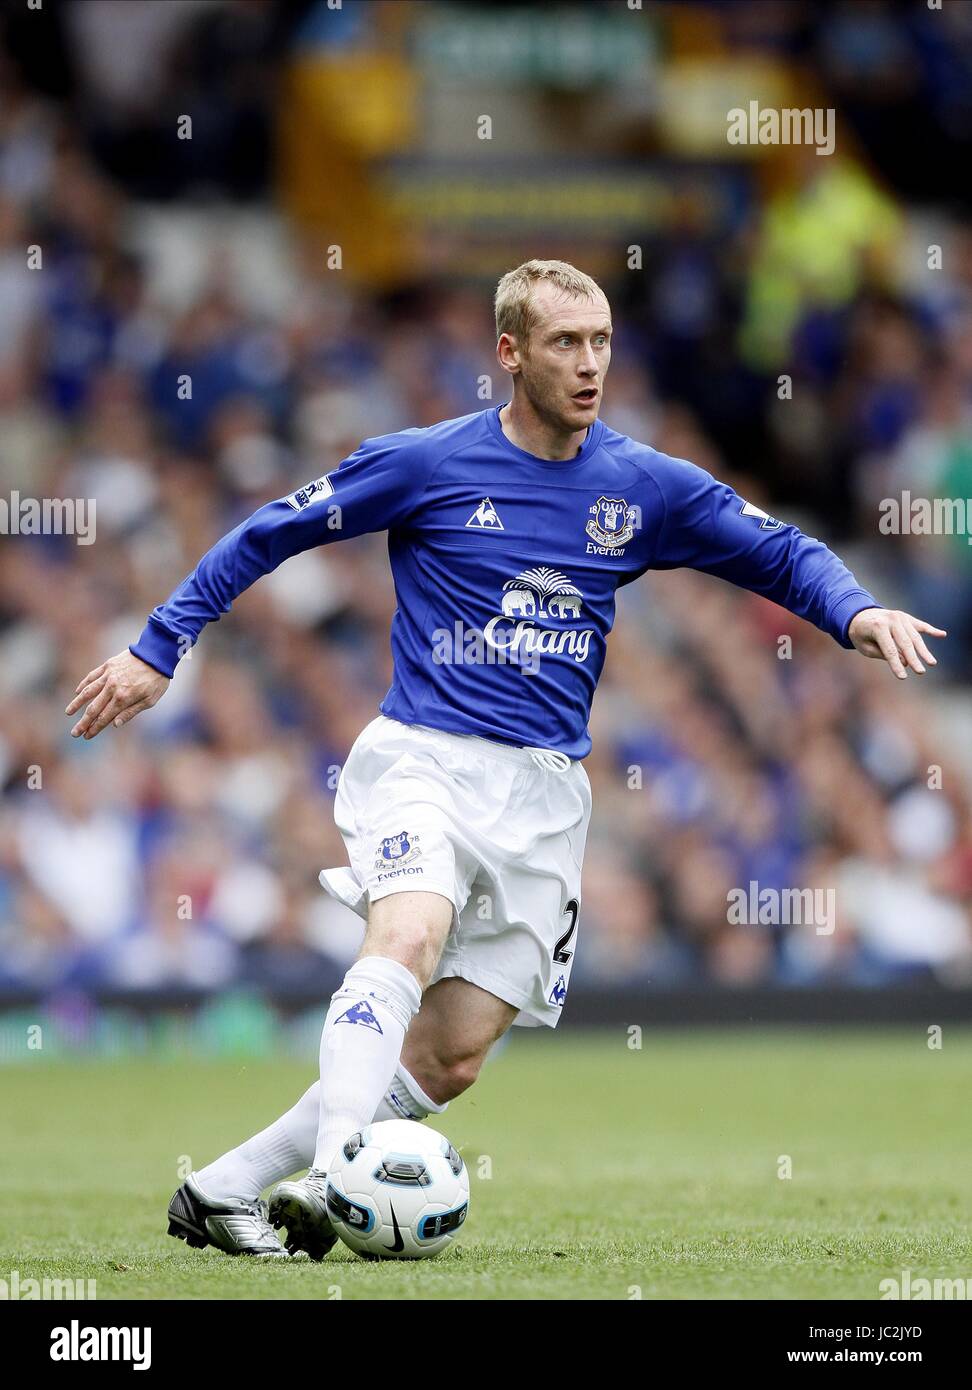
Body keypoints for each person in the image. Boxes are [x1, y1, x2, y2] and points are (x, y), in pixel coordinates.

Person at [65, 260, 945, 1259]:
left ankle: (223, 1188)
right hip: (424, 760)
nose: (589, 363)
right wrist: (158, 646)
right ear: (509, 352)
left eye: (603, 341)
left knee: (449, 1059)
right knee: (407, 932)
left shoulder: (641, 485)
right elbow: (272, 531)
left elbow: (780, 548)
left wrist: (857, 610)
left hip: (544, 797)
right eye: (565, 343)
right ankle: (342, 1169)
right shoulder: (425, 462)